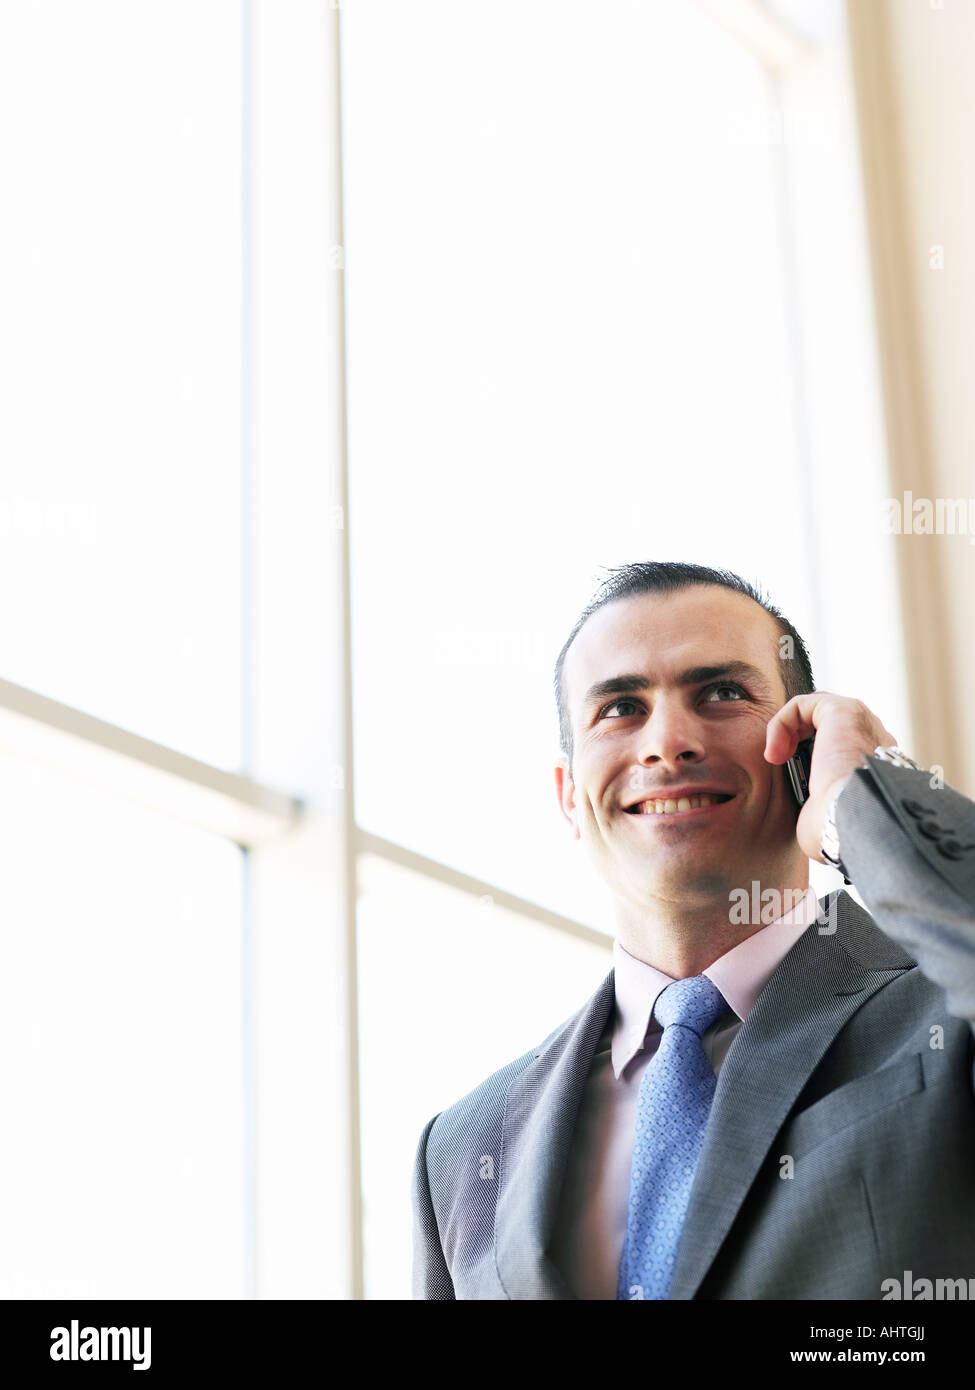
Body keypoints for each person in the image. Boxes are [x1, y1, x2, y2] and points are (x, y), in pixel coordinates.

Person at [411, 561, 975, 1300]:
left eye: (720, 693)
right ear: (568, 799)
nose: (668, 741)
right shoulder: (461, 1147)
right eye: (619, 707)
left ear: (802, 754)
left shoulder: (940, 1008)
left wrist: (858, 807)